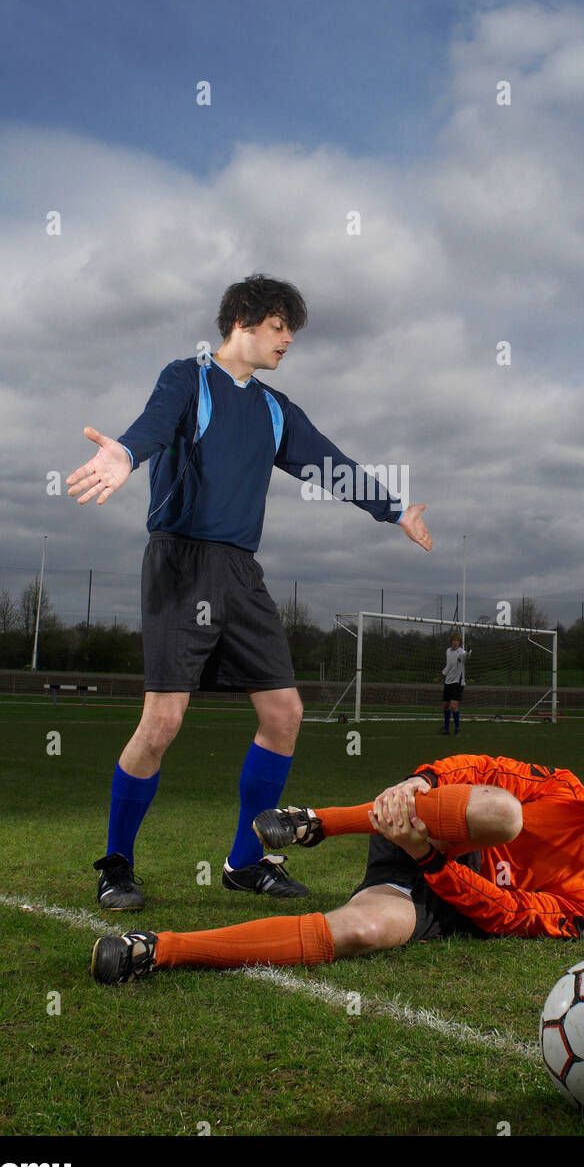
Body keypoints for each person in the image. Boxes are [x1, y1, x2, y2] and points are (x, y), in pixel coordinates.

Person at [67, 275, 432, 909]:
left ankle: (246, 860)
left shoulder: (274, 408)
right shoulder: (189, 376)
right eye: (279, 324)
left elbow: (328, 462)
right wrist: (124, 456)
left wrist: (394, 510)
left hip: (240, 572)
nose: (288, 337)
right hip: (181, 565)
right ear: (243, 319)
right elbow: (152, 426)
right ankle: (117, 863)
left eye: (292, 327)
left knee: (284, 714)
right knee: (163, 721)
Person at [90, 754, 584, 983]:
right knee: (506, 813)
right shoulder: (569, 793)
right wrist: (423, 781)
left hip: (442, 888)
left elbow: (506, 916)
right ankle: (318, 821)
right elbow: (485, 771)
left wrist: (428, 861)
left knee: (363, 931)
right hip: (433, 823)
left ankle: (157, 950)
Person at [439, 631, 470, 735]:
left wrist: (469, 651)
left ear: (459, 642)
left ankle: (457, 729)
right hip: (448, 682)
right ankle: (446, 729)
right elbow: (449, 665)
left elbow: (466, 656)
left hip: (458, 683)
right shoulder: (448, 651)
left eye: (457, 640)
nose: (455, 642)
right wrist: (443, 673)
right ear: (451, 641)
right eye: (454, 640)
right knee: (446, 705)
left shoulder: (461, 653)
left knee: (453, 705)